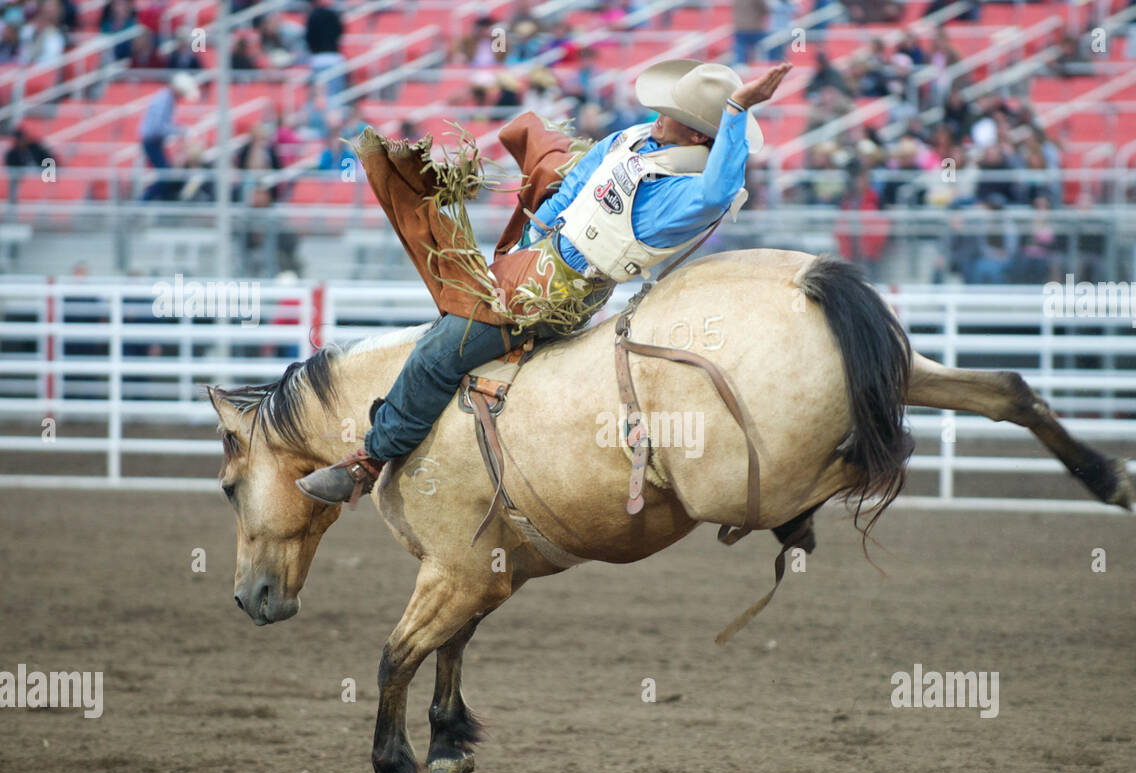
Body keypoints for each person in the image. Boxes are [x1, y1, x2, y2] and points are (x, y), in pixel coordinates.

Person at [296, 59, 791, 505]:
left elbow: (717, 192)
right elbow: (580, 179)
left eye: (673, 113)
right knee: (447, 328)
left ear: (700, 137)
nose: (658, 114)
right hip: (535, 264)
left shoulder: (685, 195)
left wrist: (737, 108)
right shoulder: (639, 141)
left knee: (437, 354)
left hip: (559, 295)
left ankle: (369, 463)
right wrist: (534, 236)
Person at [138, 73, 201, 201]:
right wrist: (180, 131)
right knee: (165, 176)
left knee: (166, 176)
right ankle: (142, 203)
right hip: (152, 141)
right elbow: (158, 127)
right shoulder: (165, 99)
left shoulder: (166, 98)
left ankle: (146, 202)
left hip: (154, 141)